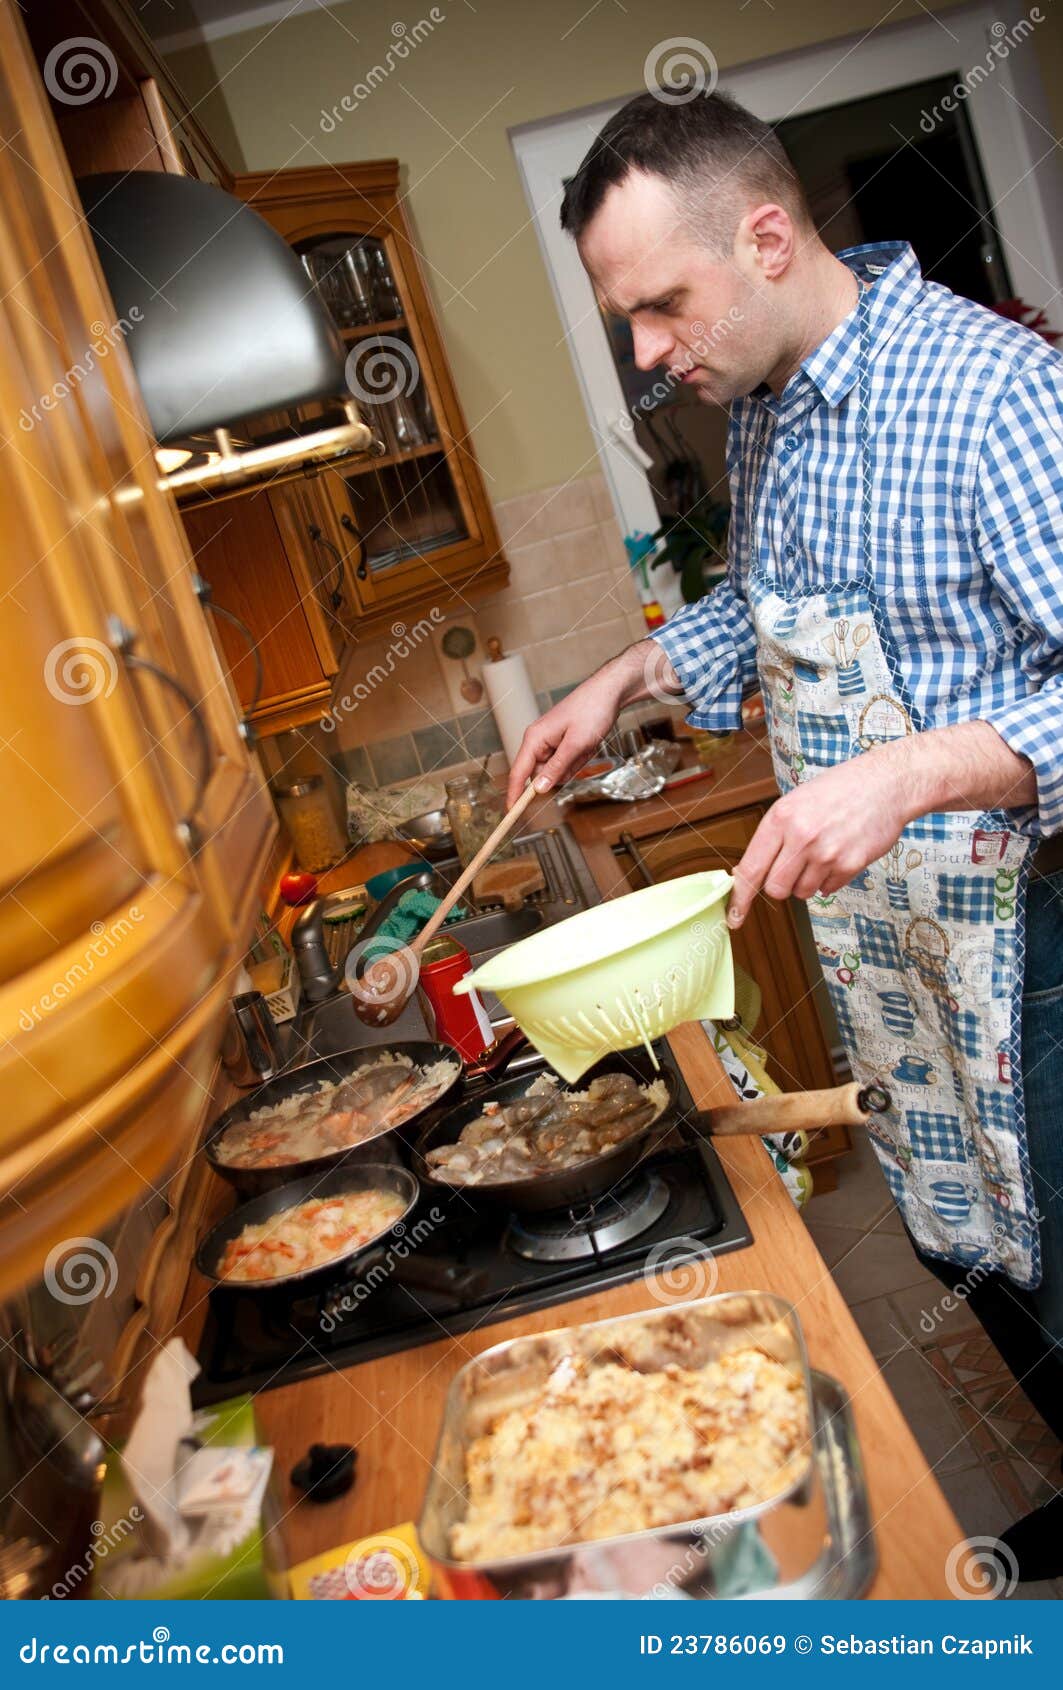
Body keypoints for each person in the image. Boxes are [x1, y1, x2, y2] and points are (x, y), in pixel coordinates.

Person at [507, 89, 1063, 1580]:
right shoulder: (761, 413)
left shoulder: (992, 394)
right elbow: (766, 609)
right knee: (974, 1260)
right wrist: (622, 677)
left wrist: (911, 771)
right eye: (622, 317)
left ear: (766, 235)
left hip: (1032, 948)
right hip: (896, 951)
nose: (644, 352)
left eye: (657, 305)